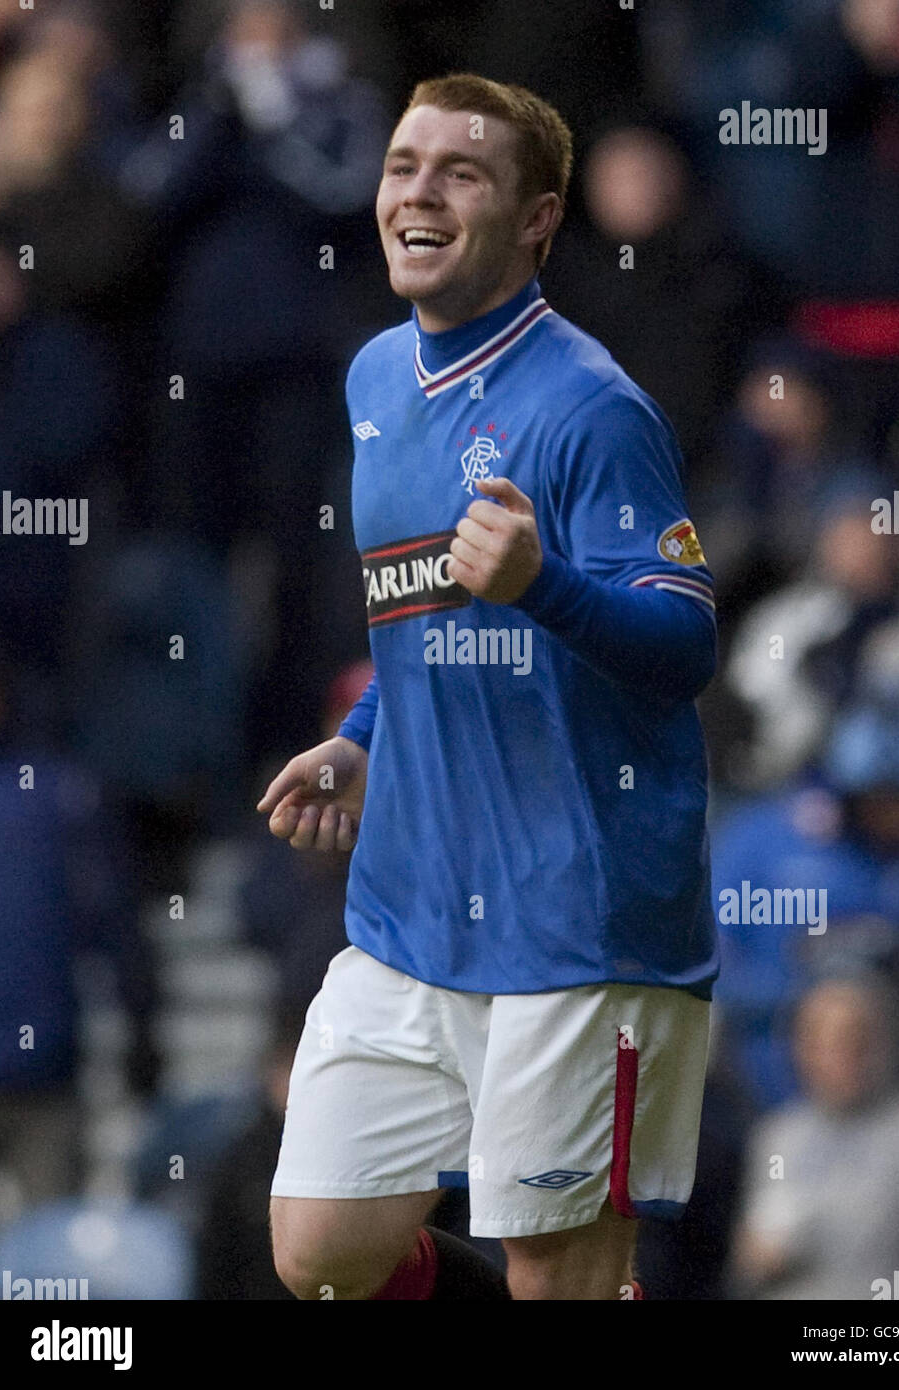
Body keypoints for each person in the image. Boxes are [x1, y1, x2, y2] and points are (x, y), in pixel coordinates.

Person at [257, 74, 719, 1301]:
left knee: (552, 1276)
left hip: (578, 918)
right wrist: (361, 737)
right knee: (319, 1253)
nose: (416, 190)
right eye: (403, 164)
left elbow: (684, 647)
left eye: (458, 172)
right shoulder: (371, 381)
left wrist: (543, 584)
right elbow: (420, 622)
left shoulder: (591, 408)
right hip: (414, 903)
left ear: (535, 220)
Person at [730, 977, 899, 1299]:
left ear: (886, 1041)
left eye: (855, 1039)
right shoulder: (779, 1135)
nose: (839, 1057)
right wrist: (757, 1260)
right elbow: (744, 1264)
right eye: (821, 1042)